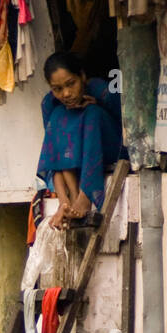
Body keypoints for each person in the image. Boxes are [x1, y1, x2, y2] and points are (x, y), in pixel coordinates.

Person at [36, 51, 123, 228]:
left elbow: (127, 123)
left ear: (82, 76)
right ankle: (68, 202)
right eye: (57, 89)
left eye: (71, 84)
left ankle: (85, 197)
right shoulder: (50, 104)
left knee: (91, 114)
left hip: (111, 148)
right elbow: (55, 152)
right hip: (74, 160)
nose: (66, 93)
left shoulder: (102, 90)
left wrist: (98, 105)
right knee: (59, 116)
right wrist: (62, 199)